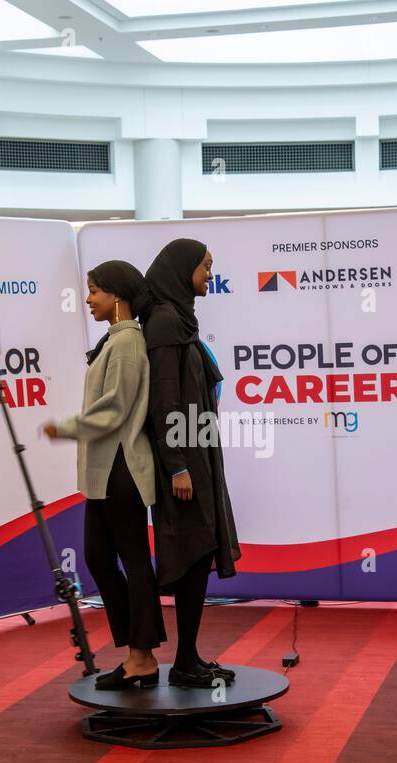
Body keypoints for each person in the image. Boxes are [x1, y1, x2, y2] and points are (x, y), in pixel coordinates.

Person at [43, 260, 166, 690]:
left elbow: (114, 409)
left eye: (94, 290)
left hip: (122, 470)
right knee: (98, 557)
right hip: (104, 471)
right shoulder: (114, 340)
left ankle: (142, 656)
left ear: (117, 295)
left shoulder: (128, 341)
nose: (88, 298)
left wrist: (67, 427)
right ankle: (136, 649)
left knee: (132, 561)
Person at [141, 238, 242, 689]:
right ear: (182, 270)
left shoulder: (180, 319)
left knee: (199, 553)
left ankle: (189, 658)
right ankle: (184, 662)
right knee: (192, 553)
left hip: (198, 450)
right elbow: (163, 402)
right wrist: (177, 466)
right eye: (205, 266)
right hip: (184, 459)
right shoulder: (164, 323)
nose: (209, 274)